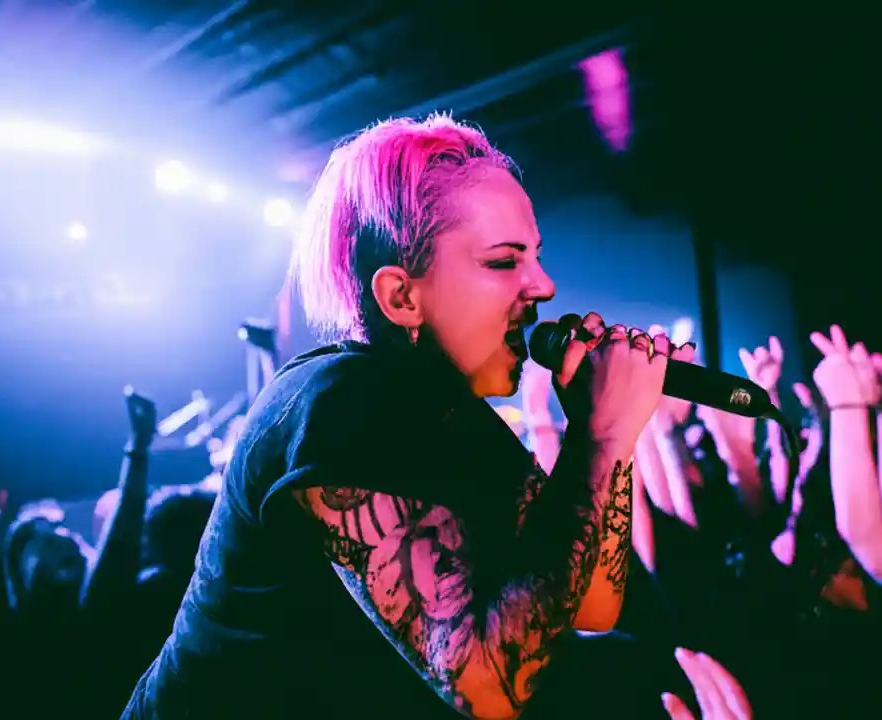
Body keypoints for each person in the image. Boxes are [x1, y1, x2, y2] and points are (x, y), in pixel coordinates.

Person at [123, 114, 674, 718]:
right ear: (402, 297)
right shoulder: (336, 406)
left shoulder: (453, 413)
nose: (542, 286)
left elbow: (591, 601)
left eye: (535, 258)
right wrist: (601, 435)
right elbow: (489, 687)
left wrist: (606, 442)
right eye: (502, 262)